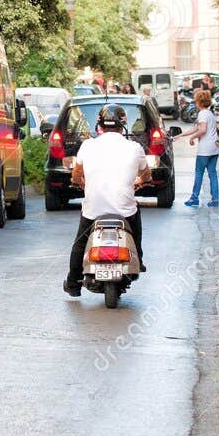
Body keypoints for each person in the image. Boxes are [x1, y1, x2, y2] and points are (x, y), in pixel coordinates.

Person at [64, 104, 150, 297]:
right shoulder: (135, 147)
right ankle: (138, 259)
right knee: (135, 222)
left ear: (100, 125)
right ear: (123, 125)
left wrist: (82, 183)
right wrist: (139, 181)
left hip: (94, 211)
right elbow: (146, 175)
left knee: (80, 243)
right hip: (124, 211)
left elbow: (76, 175)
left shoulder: (87, 146)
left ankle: (73, 283)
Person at [184, 88, 219, 208]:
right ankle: (215, 199)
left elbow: (202, 130)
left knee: (199, 173)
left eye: (195, 101)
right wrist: (180, 135)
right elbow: (197, 127)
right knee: (212, 174)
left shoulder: (202, 113)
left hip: (205, 149)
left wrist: (192, 138)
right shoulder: (210, 113)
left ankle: (194, 197)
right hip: (214, 148)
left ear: (199, 102)